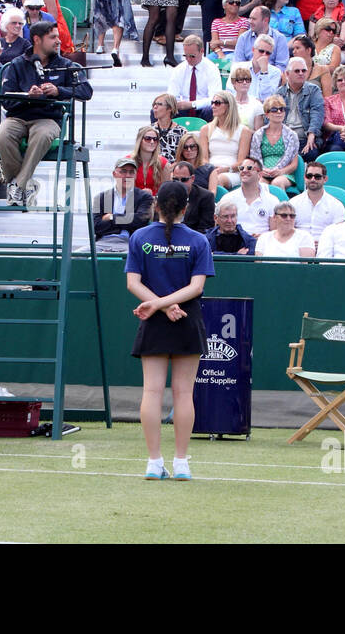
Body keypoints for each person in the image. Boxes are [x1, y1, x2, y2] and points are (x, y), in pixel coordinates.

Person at [126, 180, 213, 481]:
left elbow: (134, 283)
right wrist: (166, 305)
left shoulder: (139, 237)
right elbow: (196, 287)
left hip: (155, 317)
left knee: (151, 391)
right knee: (183, 393)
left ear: (157, 206)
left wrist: (158, 304)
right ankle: (181, 463)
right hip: (185, 318)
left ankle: (154, 461)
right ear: (185, 209)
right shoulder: (199, 240)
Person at [0, 22, 91, 205]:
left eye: (57, 36)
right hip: (18, 116)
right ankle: (26, 185)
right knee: (1, 136)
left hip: (48, 118)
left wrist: (58, 91)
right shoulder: (17, 64)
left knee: (42, 135)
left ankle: (18, 185)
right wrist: (28, 96)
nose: (58, 41)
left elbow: (86, 92)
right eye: (53, 37)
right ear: (37, 39)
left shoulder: (66, 64)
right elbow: (5, 100)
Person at [91, 157, 153, 252]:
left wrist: (111, 217)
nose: (127, 175)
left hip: (130, 243)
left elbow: (140, 221)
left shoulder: (144, 197)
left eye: (131, 172)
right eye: (123, 171)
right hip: (102, 242)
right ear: (114, 174)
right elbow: (96, 226)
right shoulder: (101, 198)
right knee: (77, 257)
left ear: (135, 175)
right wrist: (127, 220)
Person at [167, 160, 214, 232]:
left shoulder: (206, 197)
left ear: (192, 178)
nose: (179, 183)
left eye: (184, 179)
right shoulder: (166, 194)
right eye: (175, 179)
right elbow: (158, 222)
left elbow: (205, 228)